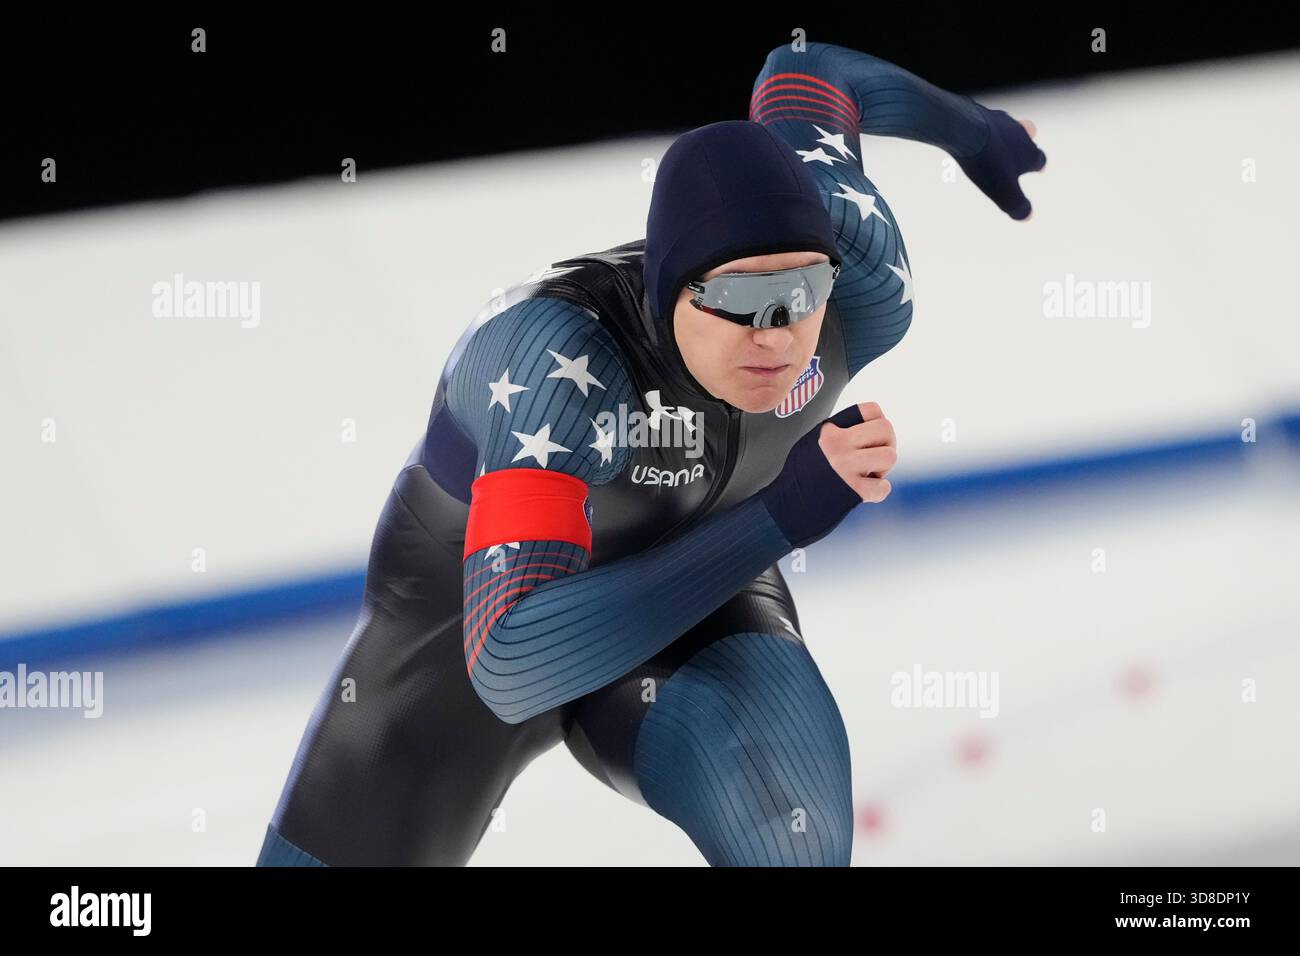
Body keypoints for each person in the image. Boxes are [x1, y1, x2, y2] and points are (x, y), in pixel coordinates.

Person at [256, 40, 1045, 867]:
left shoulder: (865, 279)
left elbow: (807, 75)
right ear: (671, 294)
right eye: (739, 298)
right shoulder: (558, 366)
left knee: (790, 835)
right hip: (469, 628)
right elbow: (512, 663)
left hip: (695, 595)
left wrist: (975, 132)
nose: (776, 334)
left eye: (800, 292)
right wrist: (783, 515)